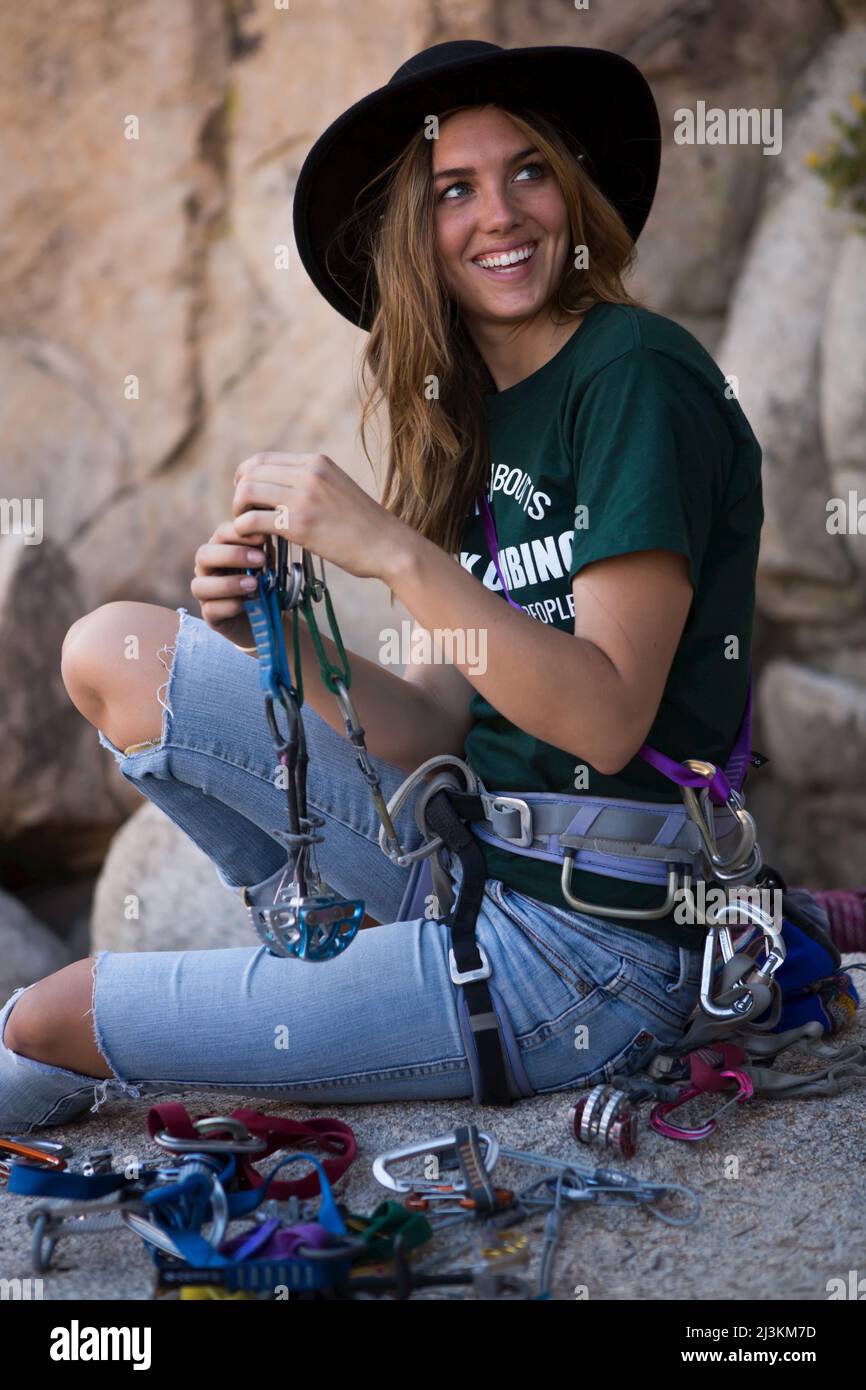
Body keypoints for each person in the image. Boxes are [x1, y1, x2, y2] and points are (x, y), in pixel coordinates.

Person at [0, 40, 781, 1130]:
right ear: (413, 235)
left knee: (48, 1021)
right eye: (452, 190)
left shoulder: (633, 377)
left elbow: (605, 717)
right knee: (111, 648)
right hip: (470, 866)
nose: (498, 214)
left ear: (571, 189)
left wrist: (392, 553)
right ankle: (320, 939)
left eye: (527, 170)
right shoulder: (466, 421)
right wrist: (278, 635)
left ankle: (339, 984)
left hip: (589, 955)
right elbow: (422, 725)